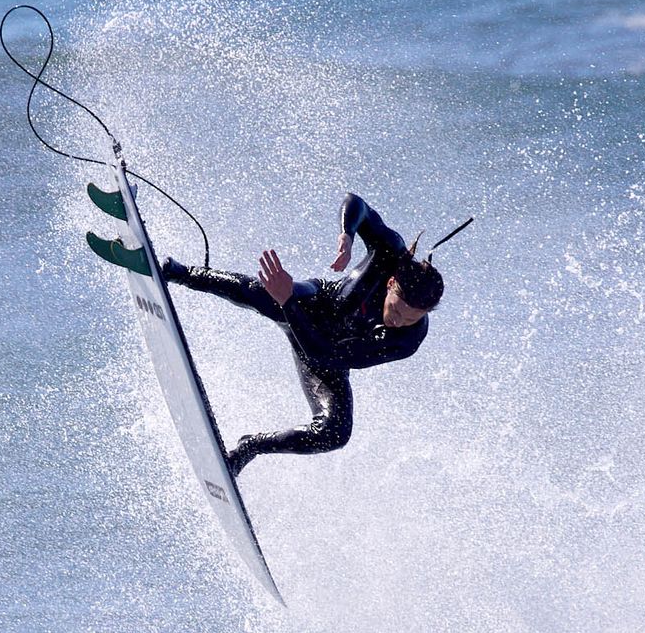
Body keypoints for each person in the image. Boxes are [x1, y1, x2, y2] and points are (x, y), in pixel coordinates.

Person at [162, 192, 446, 474]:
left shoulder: (407, 340)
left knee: (334, 434)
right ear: (391, 283)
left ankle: (250, 447)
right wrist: (346, 235)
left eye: (412, 318)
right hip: (315, 304)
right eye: (398, 310)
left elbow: (324, 355)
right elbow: (355, 203)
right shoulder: (389, 252)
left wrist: (286, 302)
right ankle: (179, 272)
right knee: (260, 294)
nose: (399, 321)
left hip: (324, 354)